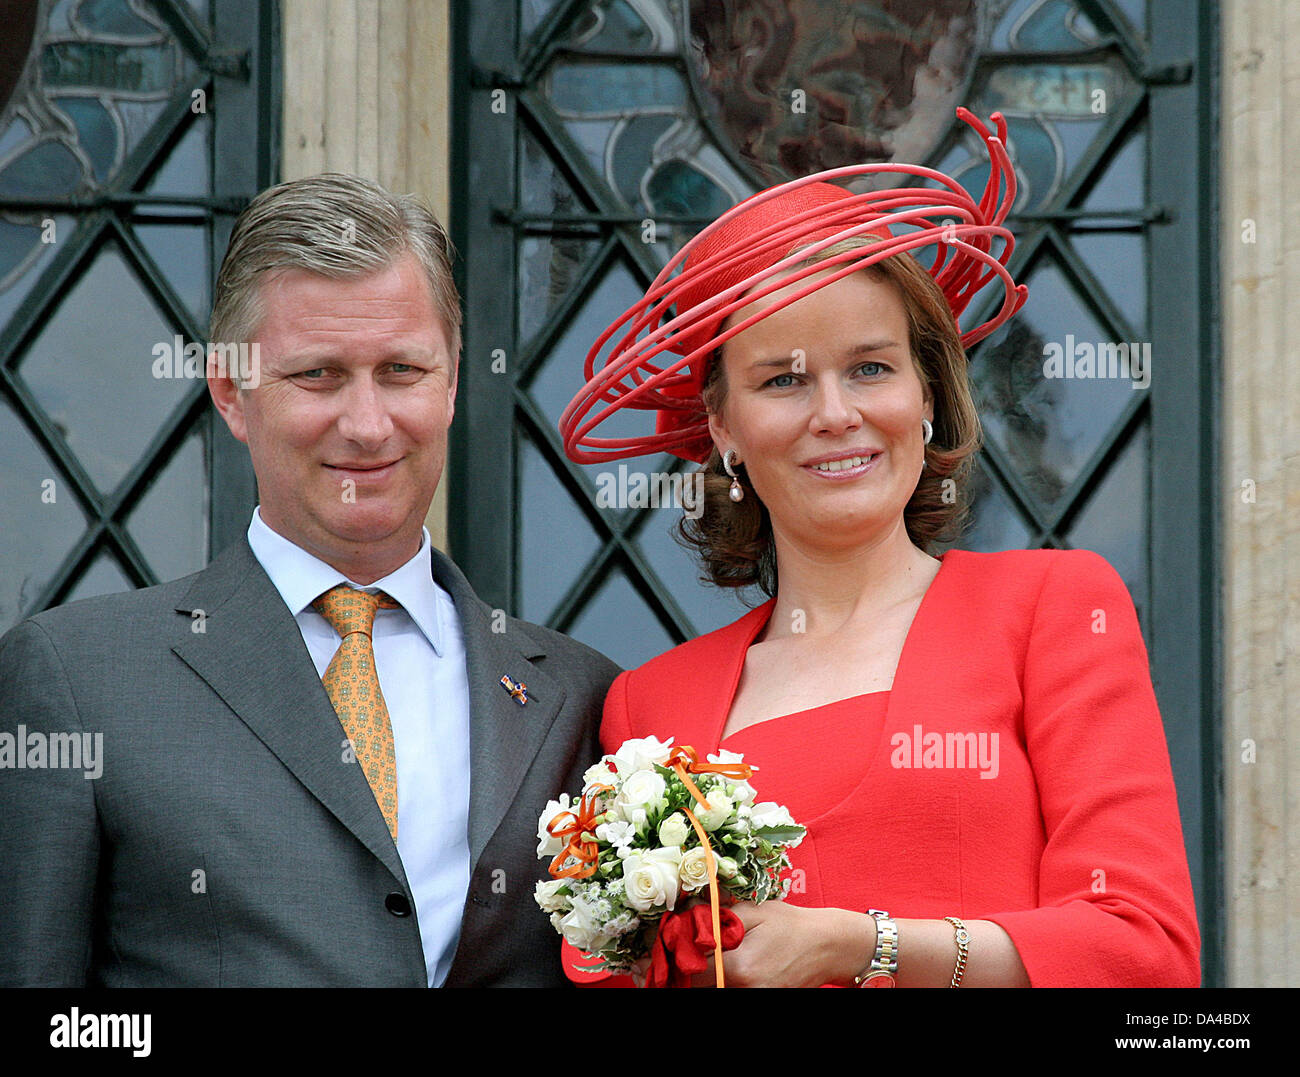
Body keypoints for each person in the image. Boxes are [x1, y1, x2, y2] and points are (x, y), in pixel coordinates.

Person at [559, 111, 1200, 987]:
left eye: (870, 366)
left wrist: (859, 944)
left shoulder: (1052, 610)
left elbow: (1146, 954)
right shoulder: (647, 708)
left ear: (926, 392)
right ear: (723, 428)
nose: (835, 413)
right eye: (783, 378)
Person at [0, 173, 618, 987]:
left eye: (402, 369)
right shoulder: (81, 678)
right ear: (231, 390)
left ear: (454, 381)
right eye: (317, 375)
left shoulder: (580, 699)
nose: (367, 425)